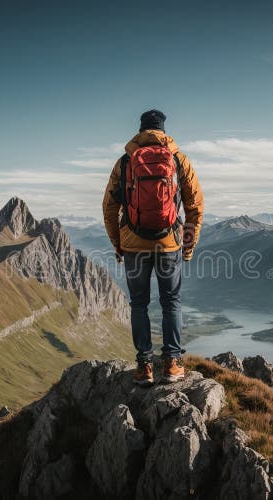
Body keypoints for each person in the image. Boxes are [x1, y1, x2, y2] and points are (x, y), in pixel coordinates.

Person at [102, 109, 204, 385]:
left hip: (133, 244)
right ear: (163, 130)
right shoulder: (178, 160)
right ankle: (172, 363)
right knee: (171, 301)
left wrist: (119, 244)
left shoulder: (125, 162)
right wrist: (188, 246)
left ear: (141, 130)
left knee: (138, 303)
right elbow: (195, 205)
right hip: (169, 242)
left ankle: (144, 366)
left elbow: (109, 207)